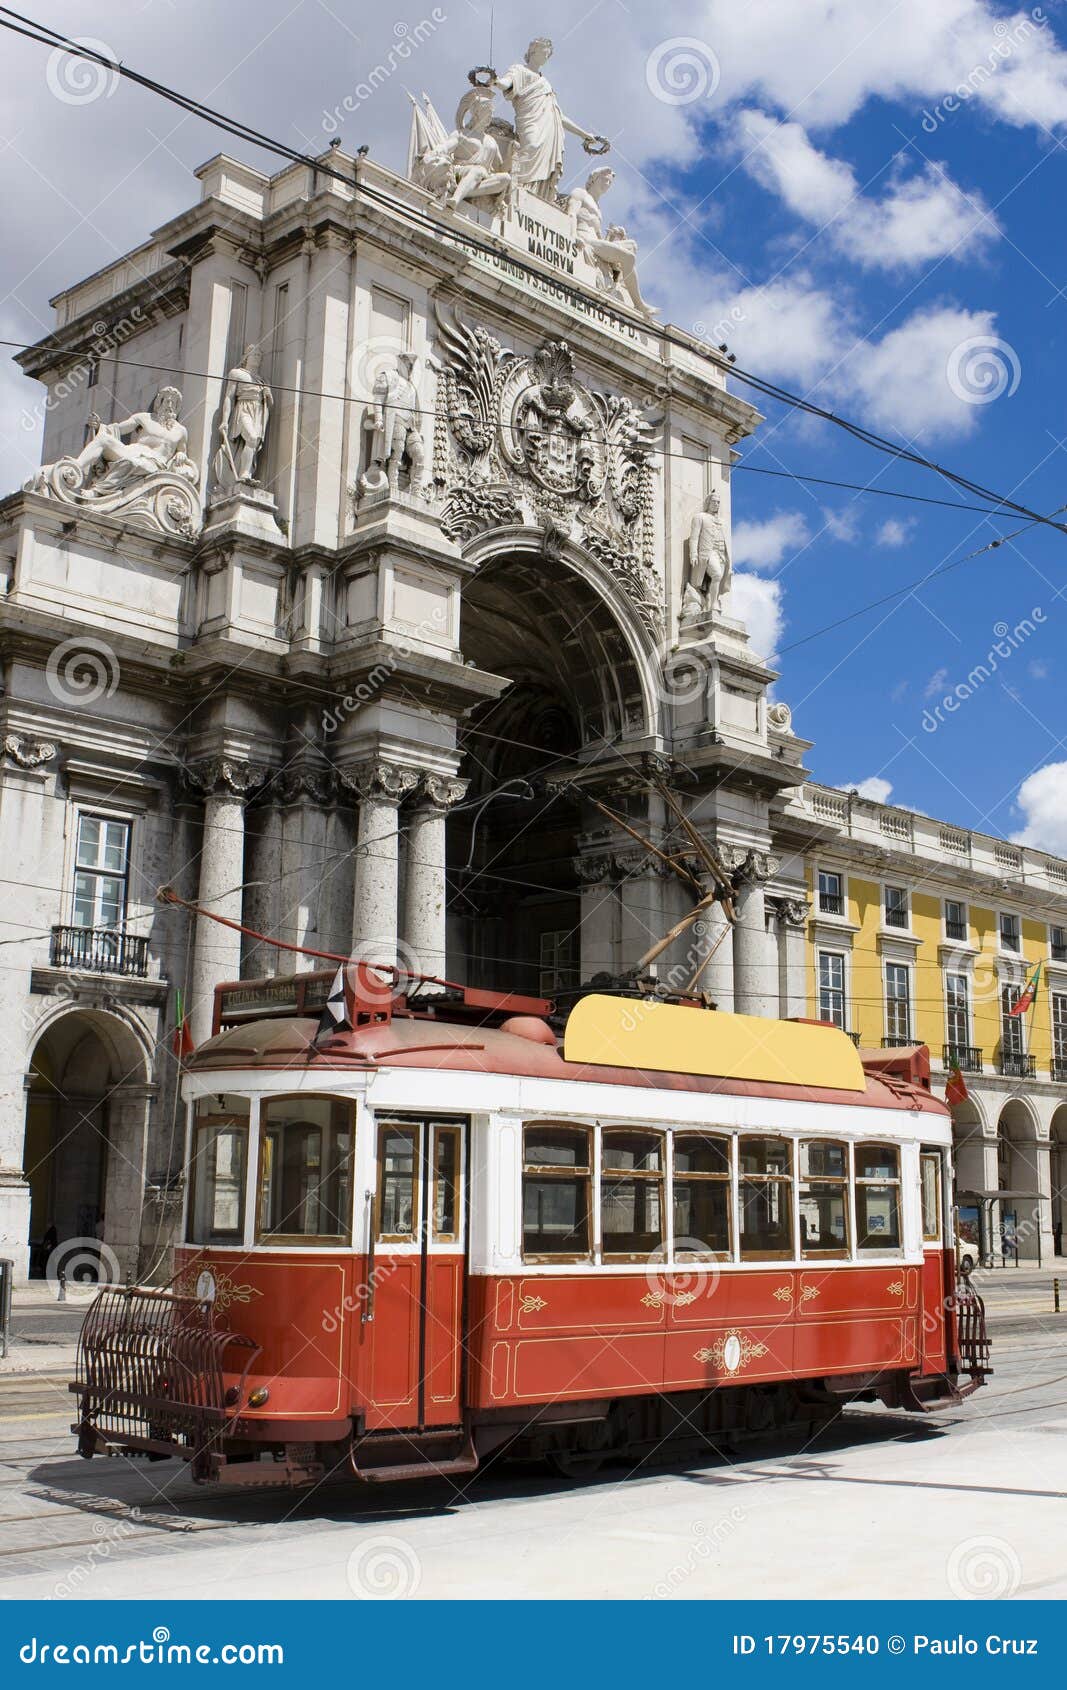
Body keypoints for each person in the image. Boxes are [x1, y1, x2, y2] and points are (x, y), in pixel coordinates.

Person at [494, 38, 605, 200]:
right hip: (530, 120)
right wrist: (496, 81)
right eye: (545, 51)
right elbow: (507, 83)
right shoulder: (519, 70)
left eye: (548, 54)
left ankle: (533, 195)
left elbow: (559, 116)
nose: (547, 56)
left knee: (546, 163)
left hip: (549, 128)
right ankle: (513, 189)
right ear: (534, 50)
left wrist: (584, 134)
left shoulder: (545, 83)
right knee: (530, 146)